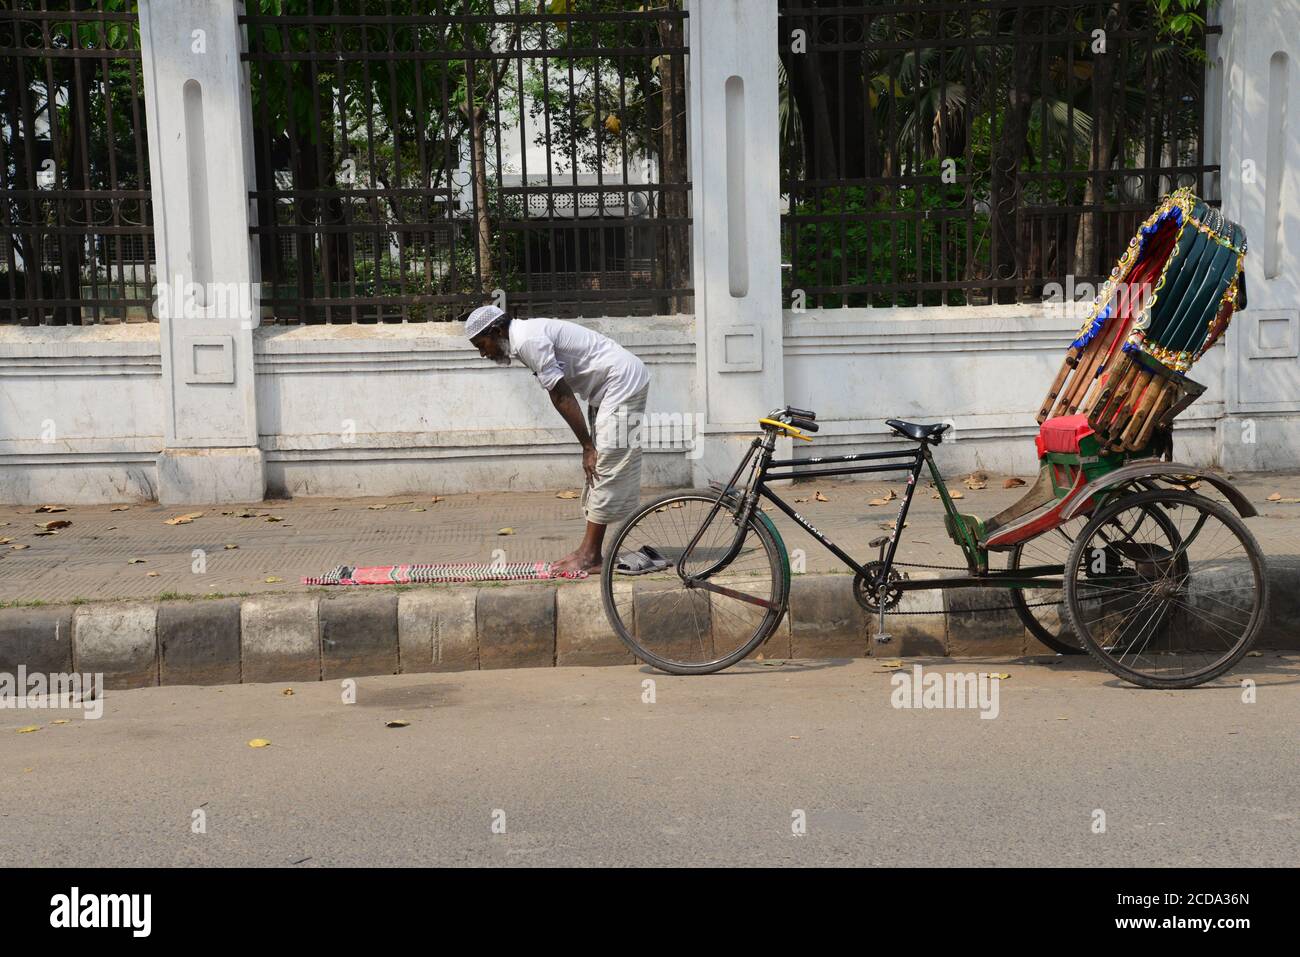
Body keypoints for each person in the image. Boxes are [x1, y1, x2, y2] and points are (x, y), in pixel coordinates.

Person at [465, 304, 650, 574]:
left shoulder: (528, 340)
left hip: (622, 382)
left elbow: (561, 395)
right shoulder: (523, 337)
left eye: (482, 345)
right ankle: (589, 550)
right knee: (601, 465)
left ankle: (590, 555)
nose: (484, 354)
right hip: (608, 387)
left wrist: (587, 446)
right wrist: (587, 445)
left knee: (604, 463)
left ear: (495, 331)